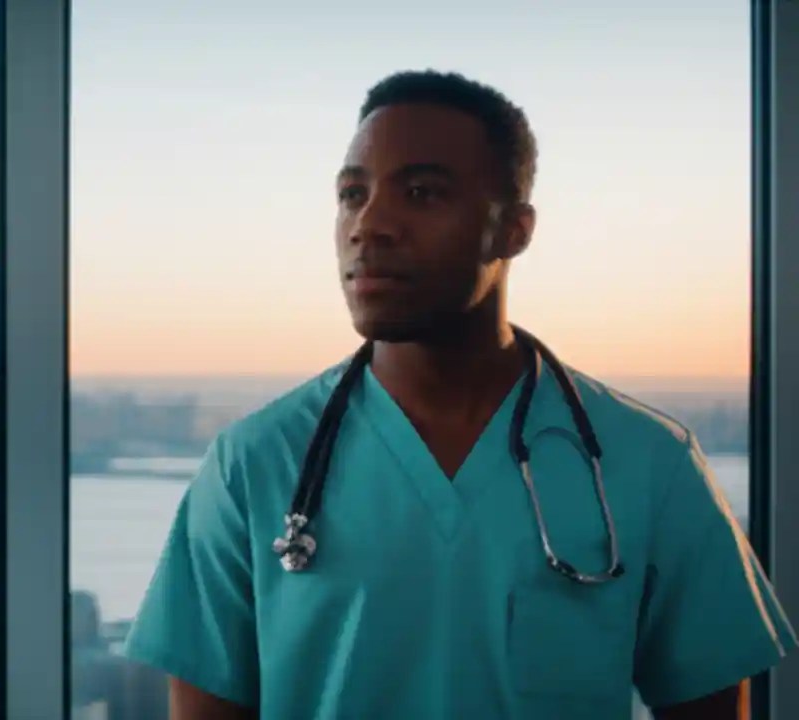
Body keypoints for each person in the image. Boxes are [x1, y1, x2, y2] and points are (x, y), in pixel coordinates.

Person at [122, 69, 796, 720]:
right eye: (353, 194)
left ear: (515, 231)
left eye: (421, 193)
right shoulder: (252, 464)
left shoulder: (650, 463)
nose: (369, 225)